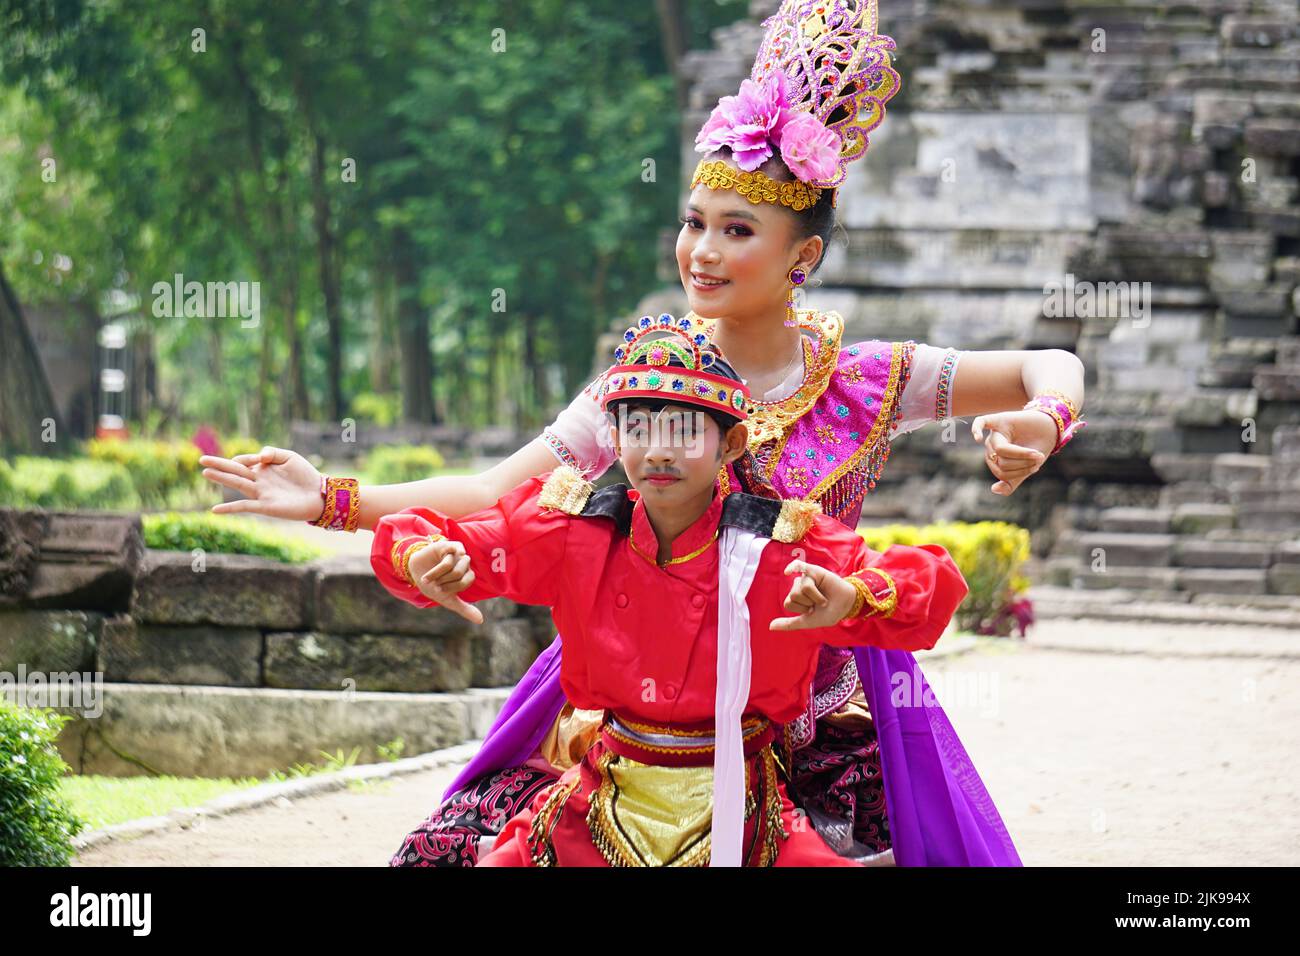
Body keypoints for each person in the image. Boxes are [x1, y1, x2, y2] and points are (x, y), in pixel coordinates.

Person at [197, 0, 1086, 866]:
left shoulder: (866, 382)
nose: (702, 250)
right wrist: (329, 500)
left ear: (801, 258)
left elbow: (1049, 363)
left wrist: (1042, 422)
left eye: (737, 230)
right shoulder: (643, 390)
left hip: (808, 702)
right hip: (630, 697)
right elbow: (485, 498)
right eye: (693, 223)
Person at [370, 323, 969, 866]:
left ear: (731, 445)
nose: (656, 449)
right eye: (637, 427)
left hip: (743, 806)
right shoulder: (575, 530)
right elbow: (448, 537)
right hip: (601, 796)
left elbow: (931, 582)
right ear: (614, 438)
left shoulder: (779, 545)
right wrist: (423, 559)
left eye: (682, 429)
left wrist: (854, 597)